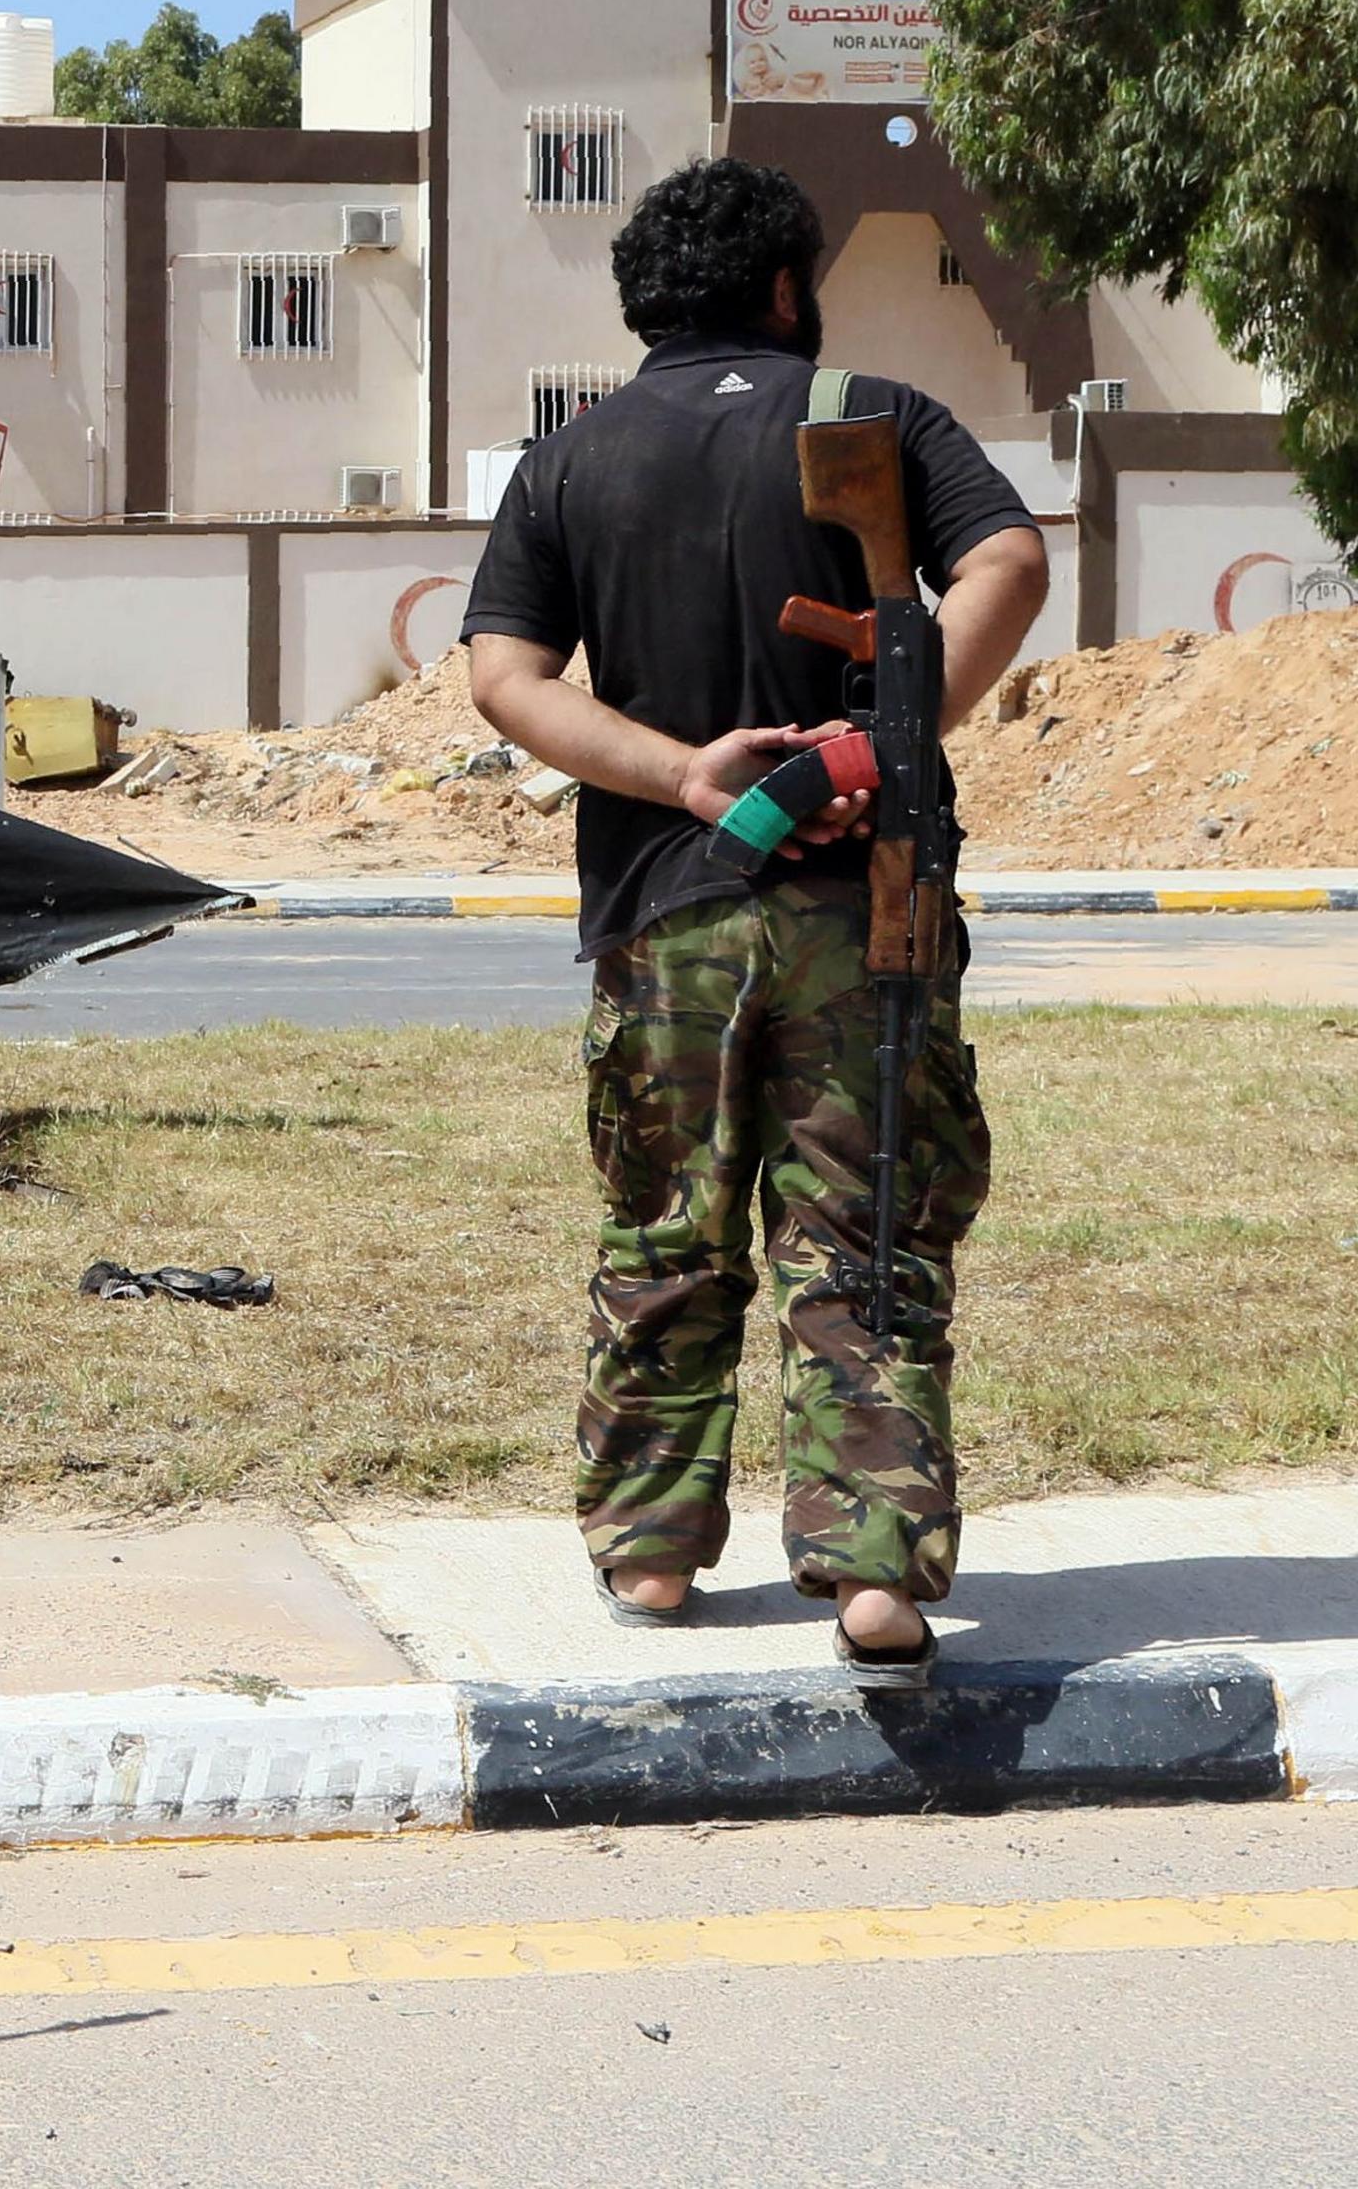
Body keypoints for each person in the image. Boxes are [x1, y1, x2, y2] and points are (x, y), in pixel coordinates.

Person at [461, 159, 1047, 1686]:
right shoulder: (881, 415)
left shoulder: (569, 460)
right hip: (871, 910)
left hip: (666, 909)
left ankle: (652, 1552)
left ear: (644, 302)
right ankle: (873, 1578)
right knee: (864, 1233)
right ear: (789, 287)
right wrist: (879, 748)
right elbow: (1011, 559)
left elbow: (506, 677)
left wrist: (685, 775)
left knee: (663, 1221)